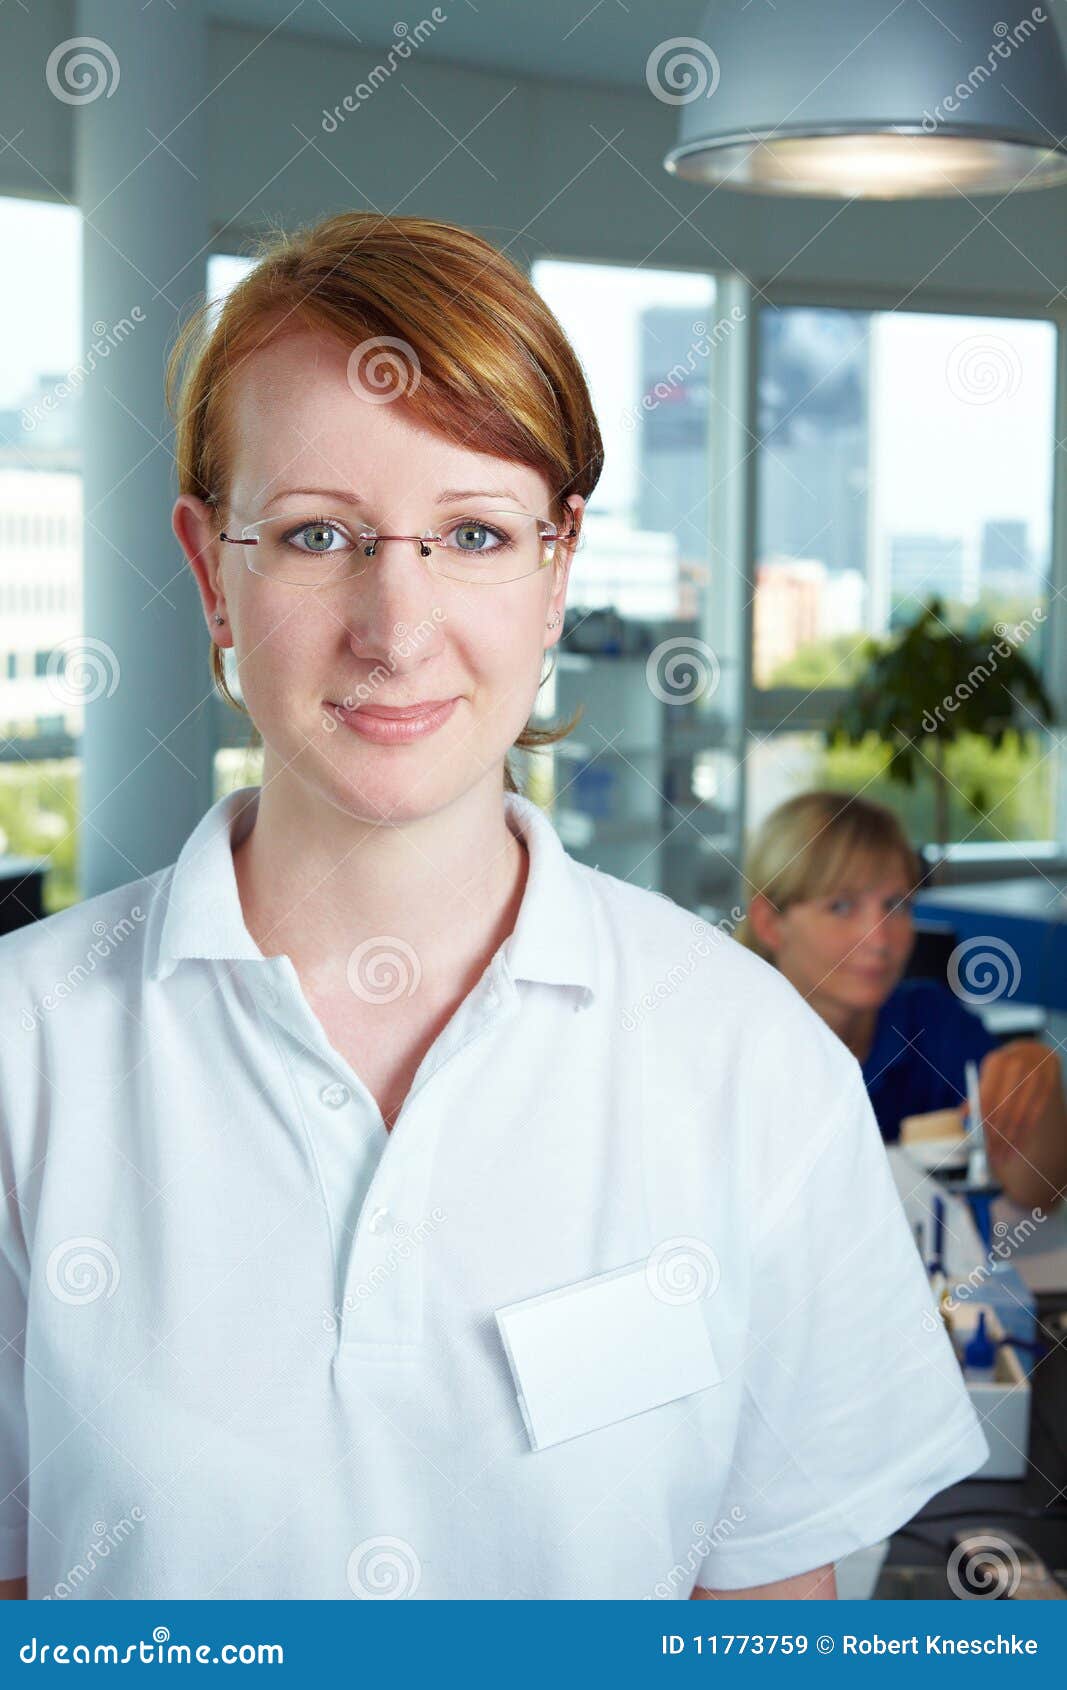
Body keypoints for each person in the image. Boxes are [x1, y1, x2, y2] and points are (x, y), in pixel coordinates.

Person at [0, 214, 988, 1602]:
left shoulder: (748, 1063)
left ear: (557, 564)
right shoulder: (23, 1054)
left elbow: (768, 1624)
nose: (394, 628)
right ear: (207, 570)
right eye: (314, 534)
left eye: (470, 532)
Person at [738, 789, 1067, 1211]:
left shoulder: (928, 1023)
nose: (879, 939)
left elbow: (1039, 1194)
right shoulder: (728, 1054)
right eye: (841, 906)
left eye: (895, 904)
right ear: (770, 922)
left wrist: (1035, 1089)